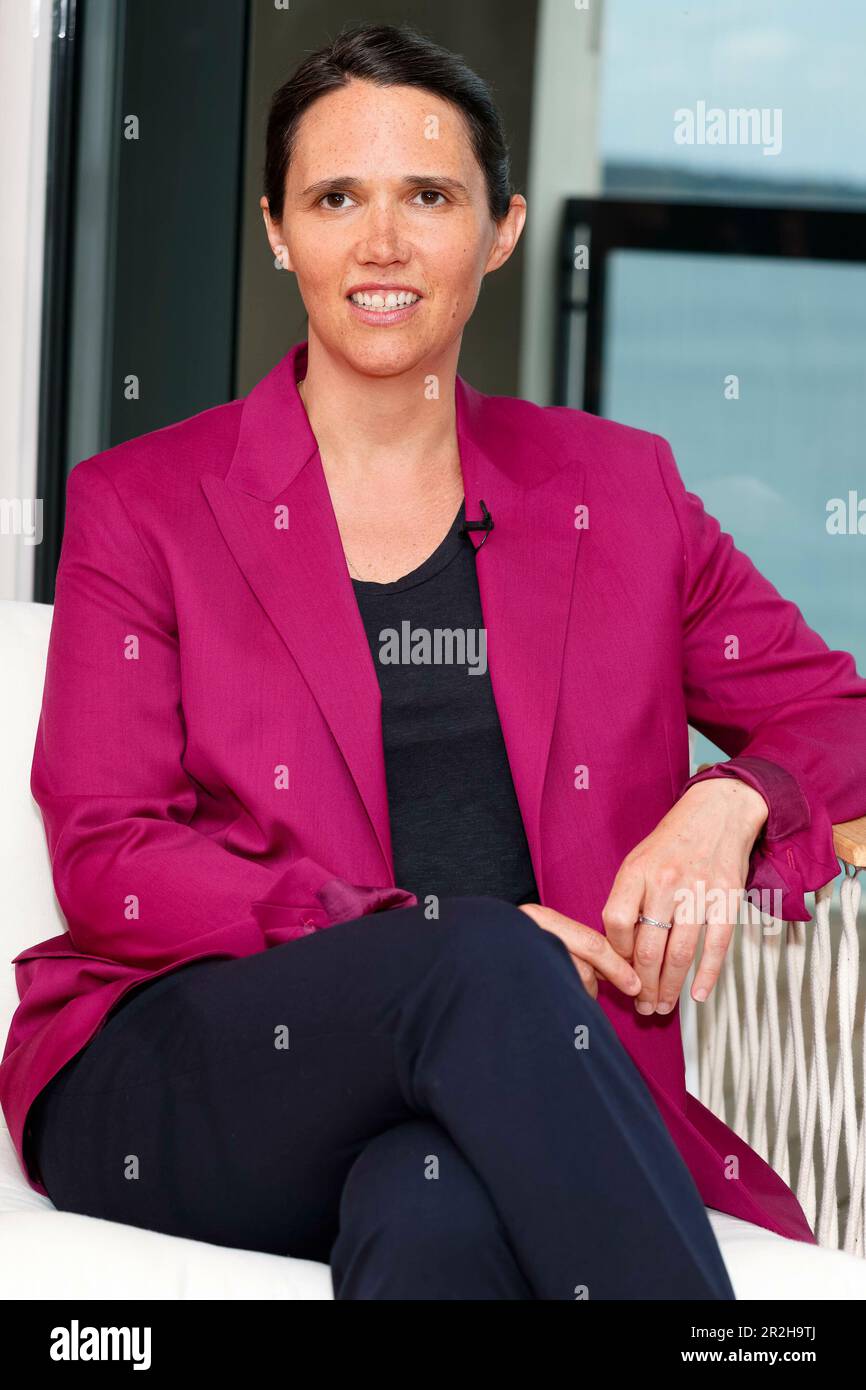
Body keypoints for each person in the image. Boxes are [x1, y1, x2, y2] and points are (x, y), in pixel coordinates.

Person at [4, 21, 866, 1300]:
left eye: (429, 195)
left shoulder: (616, 493)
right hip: (190, 1061)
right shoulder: (143, 504)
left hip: (497, 1084)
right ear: (277, 228)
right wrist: (416, 932)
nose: (382, 242)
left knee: (432, 1215)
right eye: (335, 197)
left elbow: (834, 717)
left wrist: (724, 803)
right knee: (474, 958)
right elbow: (110, 854)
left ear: (502, 229)